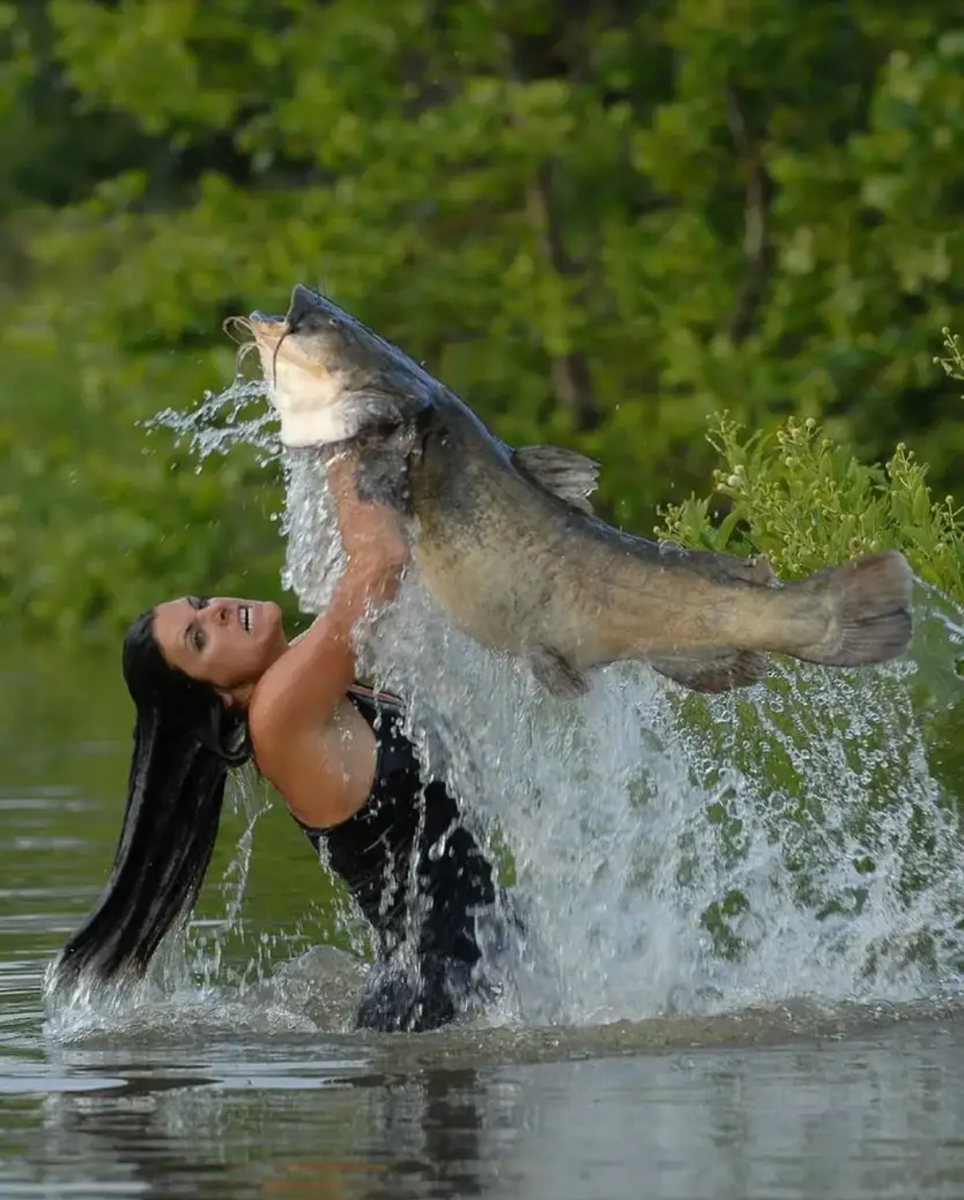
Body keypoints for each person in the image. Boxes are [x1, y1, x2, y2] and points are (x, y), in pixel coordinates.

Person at [52, 451, 516, 1033]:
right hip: (443, 1011)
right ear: (218, 697)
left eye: (199, 605)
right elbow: (378, 565)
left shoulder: (305, 681)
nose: (217, 609)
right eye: (198, 638)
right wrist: (338, 439)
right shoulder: (279, 715)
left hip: (469, 981)